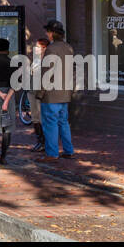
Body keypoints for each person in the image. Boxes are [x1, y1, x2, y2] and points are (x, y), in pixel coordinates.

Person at [37, 21, 75, 161]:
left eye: (48, 31)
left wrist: (40, 93)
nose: (47, 34)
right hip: (65, 92)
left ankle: (52, 154)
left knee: (50, 124)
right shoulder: (68, 47)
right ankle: (68, 150)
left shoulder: (51, 49)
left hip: (51, 94)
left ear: (52, 33)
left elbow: (46, 73)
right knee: (63, 122)